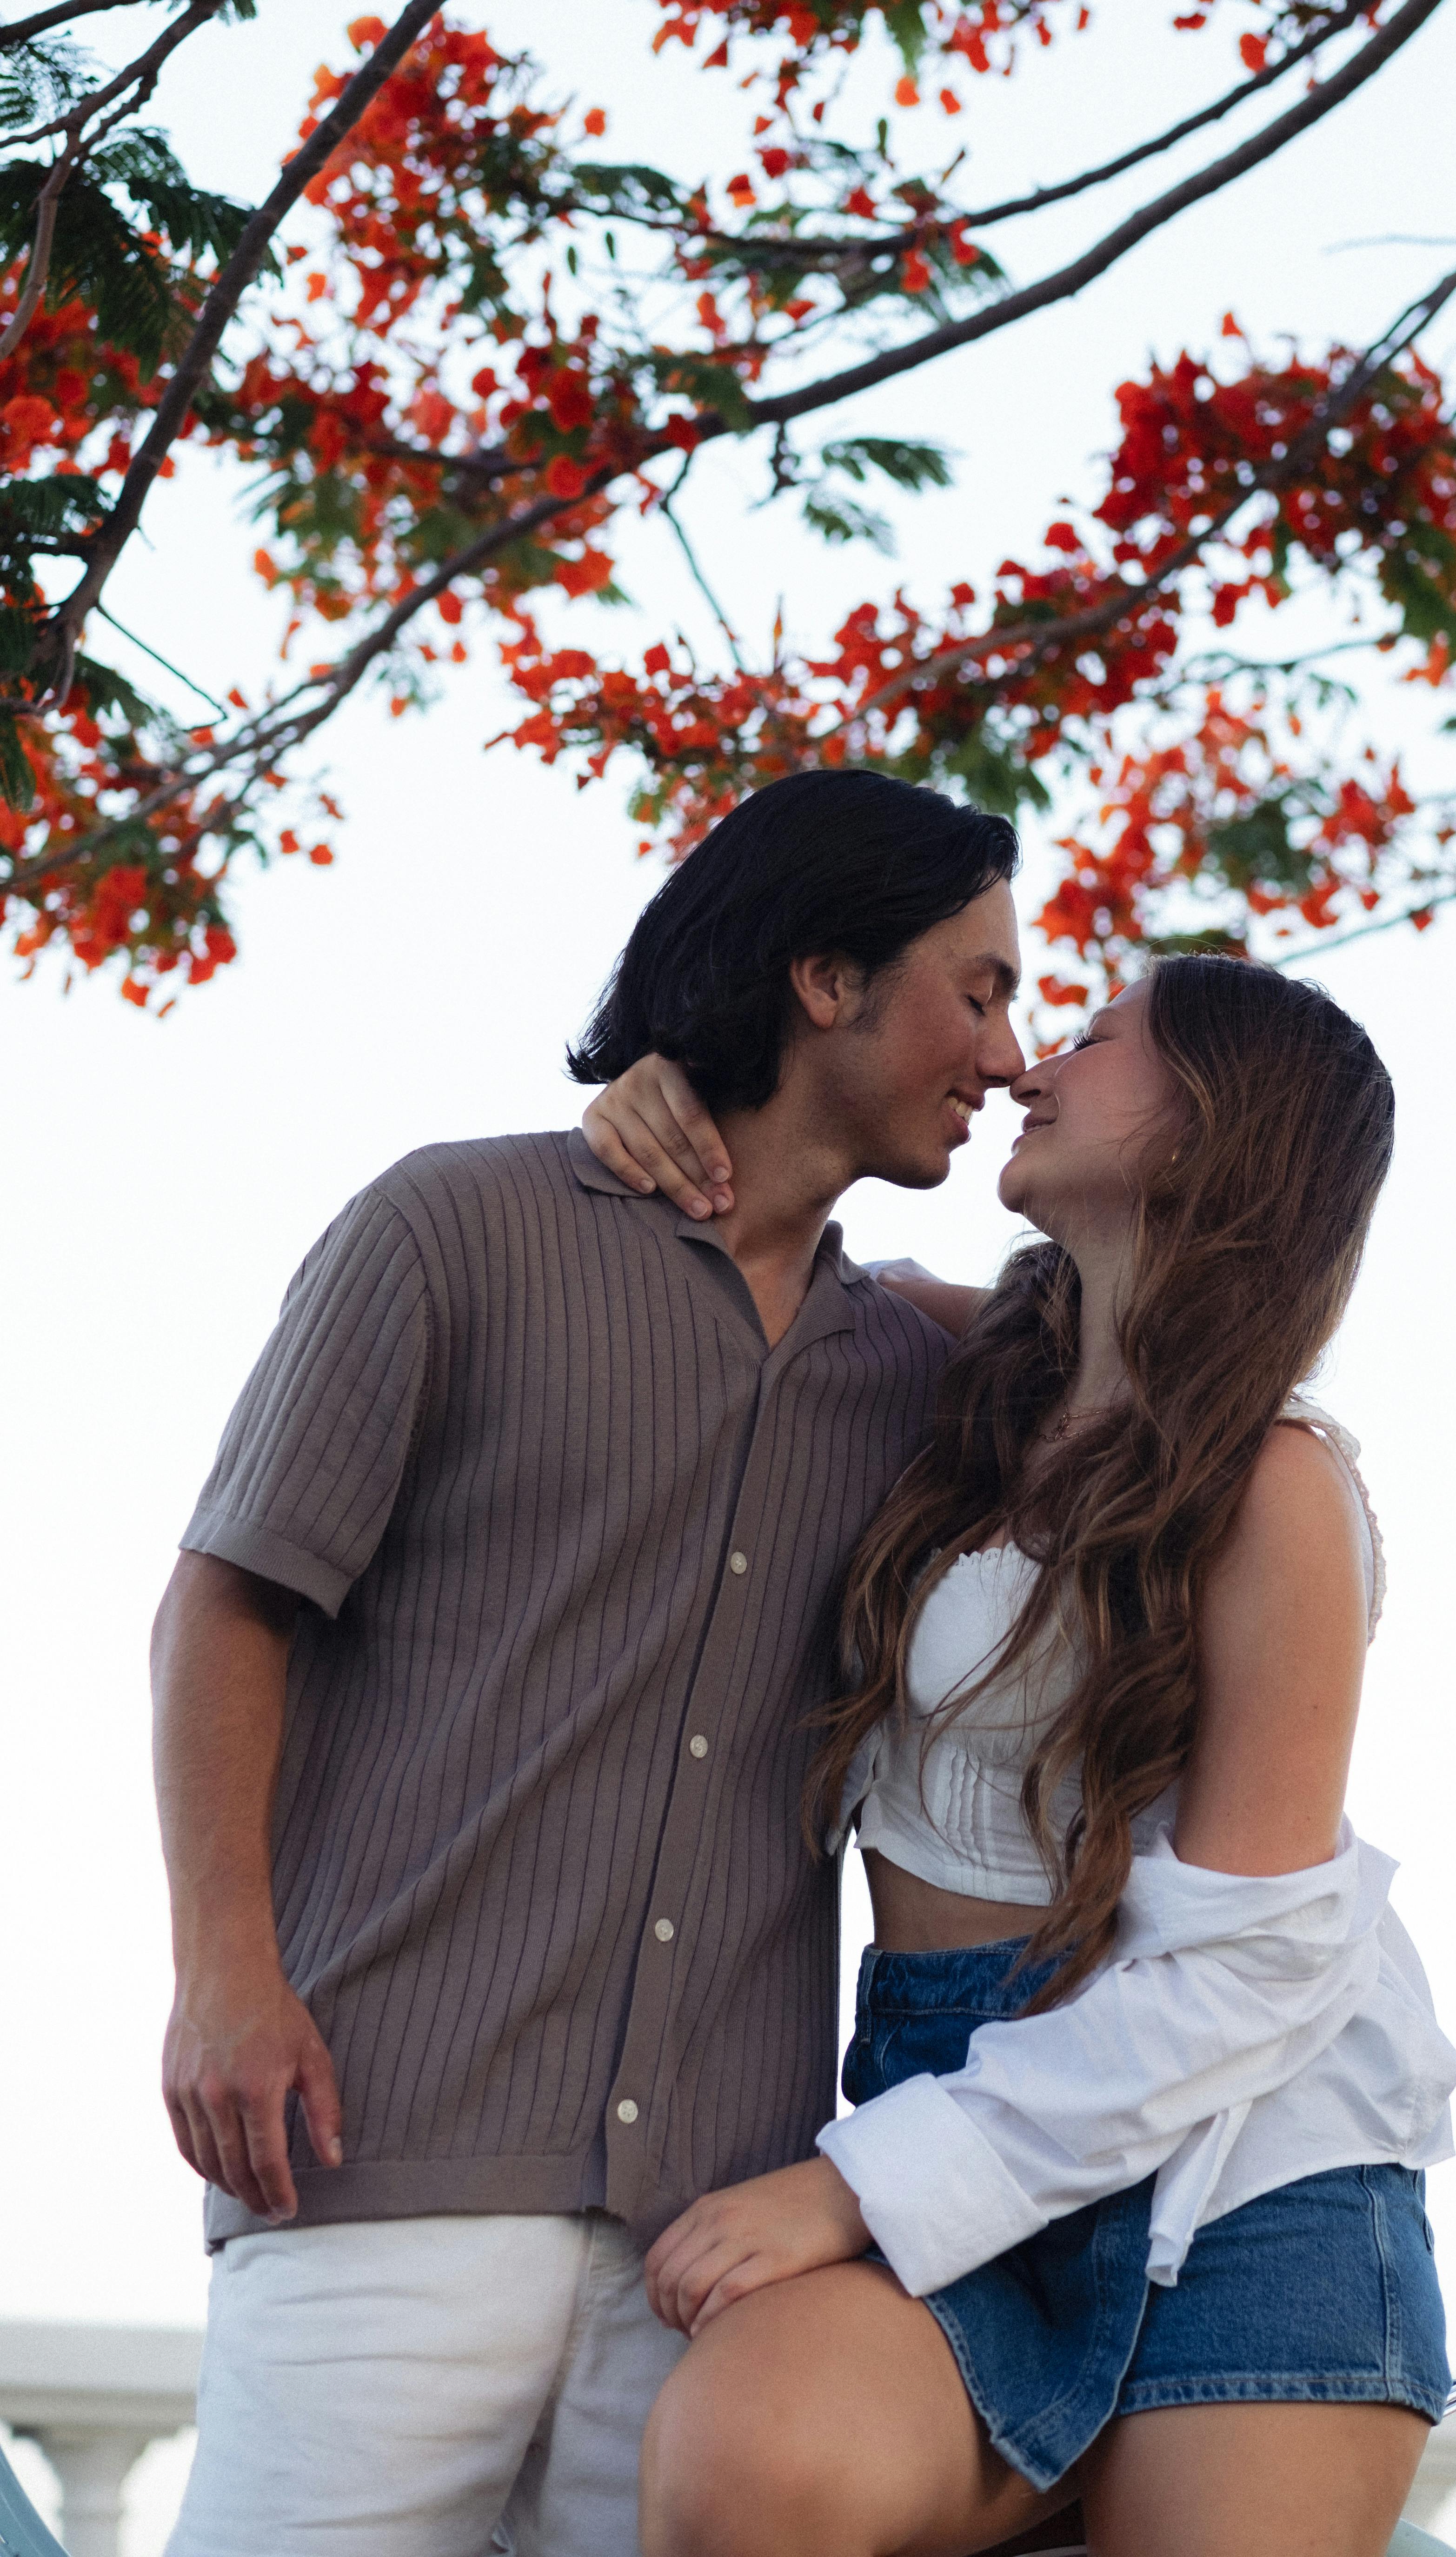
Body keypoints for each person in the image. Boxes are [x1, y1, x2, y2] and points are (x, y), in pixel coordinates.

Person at [149, 768, 1029, 2557]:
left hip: (705, 2254)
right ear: (823, 976)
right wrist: (224, 1975)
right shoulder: (453, 1232)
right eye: (982, 985)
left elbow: (1133, 1326)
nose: (1007, 1052)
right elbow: (223, 1607)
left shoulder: (911, 1376)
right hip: (377, 2168)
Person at [579, 956, 1456, 2557]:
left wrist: (852, 2188)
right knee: (747, 2456)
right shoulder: (970, 1377)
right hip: (955, 2091)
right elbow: (769, 1255)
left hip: (1250, 2166)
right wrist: (654, 1108)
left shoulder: (1272, 1487)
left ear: (1207, 1130)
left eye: (1097, 1039)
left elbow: (1251, 1967)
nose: (1032, 1064)